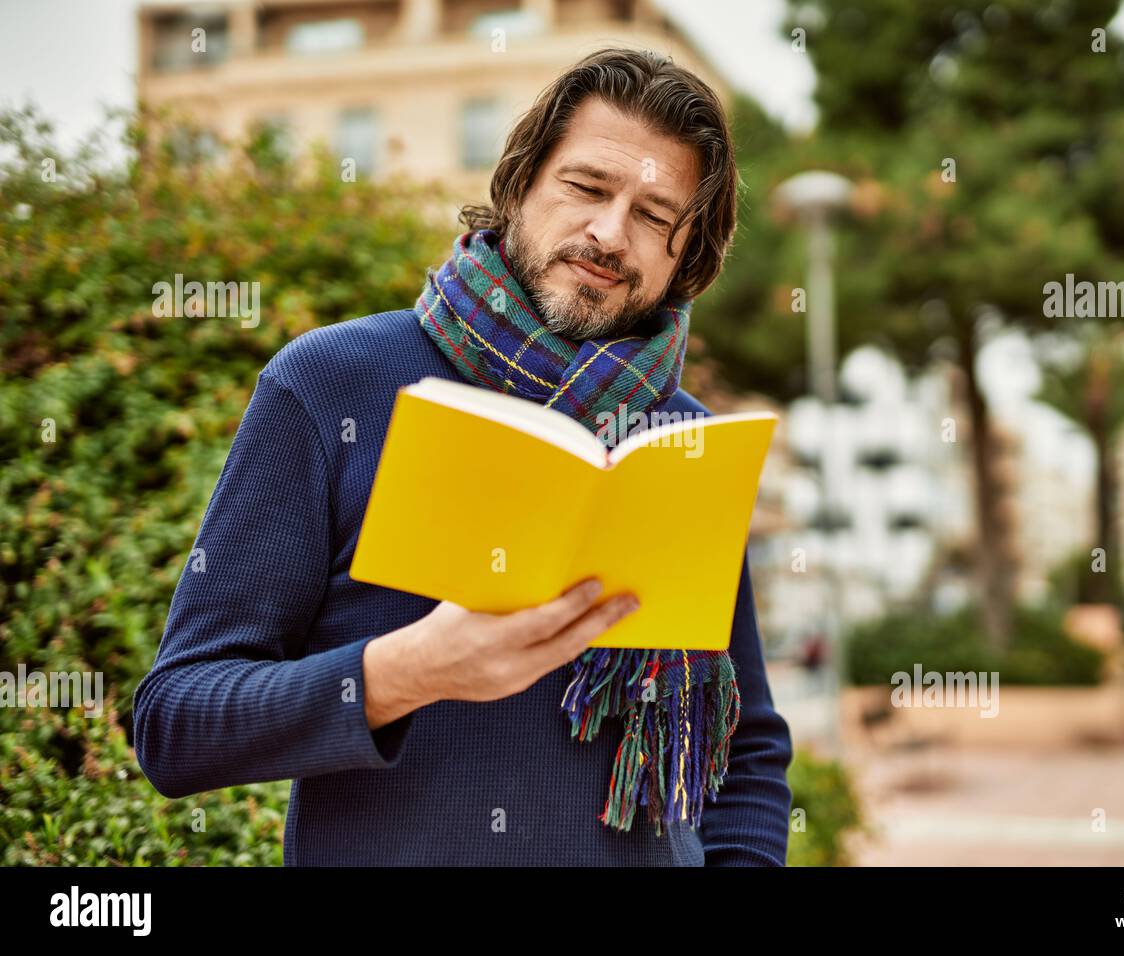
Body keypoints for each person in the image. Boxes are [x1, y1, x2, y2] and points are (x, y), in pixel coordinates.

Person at [133, 47, 794, 866]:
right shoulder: (329, 385)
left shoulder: (682, 442)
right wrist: (404, 673)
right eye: (586, 188)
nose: (608, 232)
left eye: (655, 216)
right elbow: (175, 724)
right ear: (518, 183)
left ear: (683, 258)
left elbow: (748, 748)